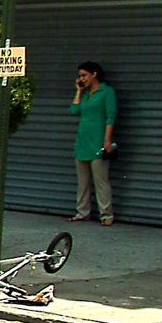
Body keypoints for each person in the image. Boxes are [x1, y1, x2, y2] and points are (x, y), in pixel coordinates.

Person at [69, 61, 118, 225]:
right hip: (82, 141)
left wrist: (107, 140)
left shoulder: (107, 92)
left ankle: (106, 215)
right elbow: (74, 110)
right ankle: (82, 212)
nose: (82, 78)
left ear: (94, 74)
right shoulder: (85, 93)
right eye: (80, 76)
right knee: (82, 182)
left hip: (98, 141)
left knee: (101, 180)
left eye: (84, 75)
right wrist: (79, 91)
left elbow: (111, 116)